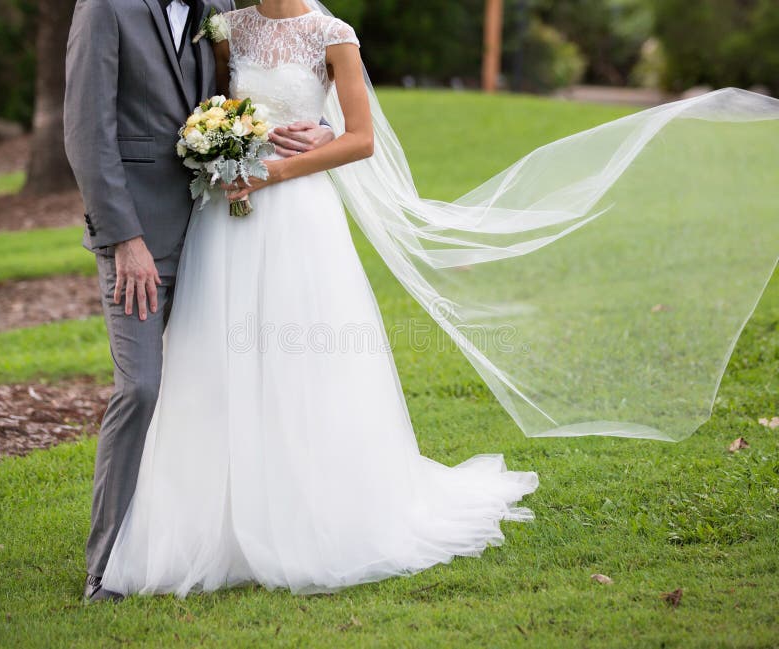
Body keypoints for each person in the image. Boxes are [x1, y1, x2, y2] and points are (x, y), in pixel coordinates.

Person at [99, 0, 540, 598]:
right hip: (225, 219)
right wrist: (220, 151)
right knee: (215, 363)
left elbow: (361, 140)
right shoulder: (231, 28)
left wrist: (279, 168)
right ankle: (222, 519)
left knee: (303, 363)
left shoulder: (334, 35)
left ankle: (313, 513)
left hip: (299, 218)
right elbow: (205, 106)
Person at [64, 0, 336, 602]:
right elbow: (86, 132)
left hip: (216, 231)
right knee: (140, 388)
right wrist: (123, 239)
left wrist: (321, 132)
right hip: (138, 242)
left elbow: (237, 106)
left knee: (221, 388)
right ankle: (105, 565)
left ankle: (212, 539)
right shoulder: (106, 7)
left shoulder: (215, 10)